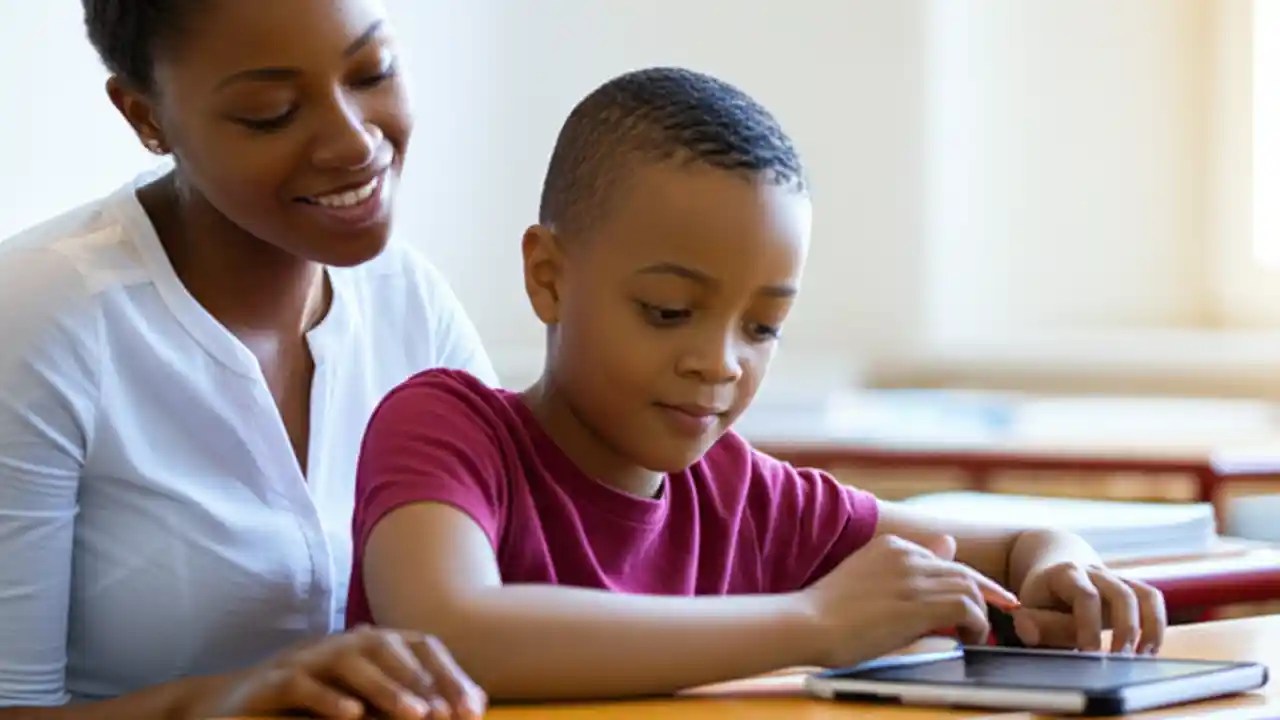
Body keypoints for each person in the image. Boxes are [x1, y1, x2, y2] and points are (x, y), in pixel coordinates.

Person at [347, 67, 1169, 701]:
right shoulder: (446, 425)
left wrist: (1066, 565)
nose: (722, 362)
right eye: (669, 311)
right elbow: (448, 628)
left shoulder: (742, 493)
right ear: (549, 276)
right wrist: (813, 623)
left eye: (763, 326)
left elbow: (1006, 547)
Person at [0, 1, 490, 717]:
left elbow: (514, 585)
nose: (354, 144)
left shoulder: (409, 297)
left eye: (371, 72)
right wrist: (220, 703)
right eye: (270, 112)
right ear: (146, 117)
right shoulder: (39, 318)